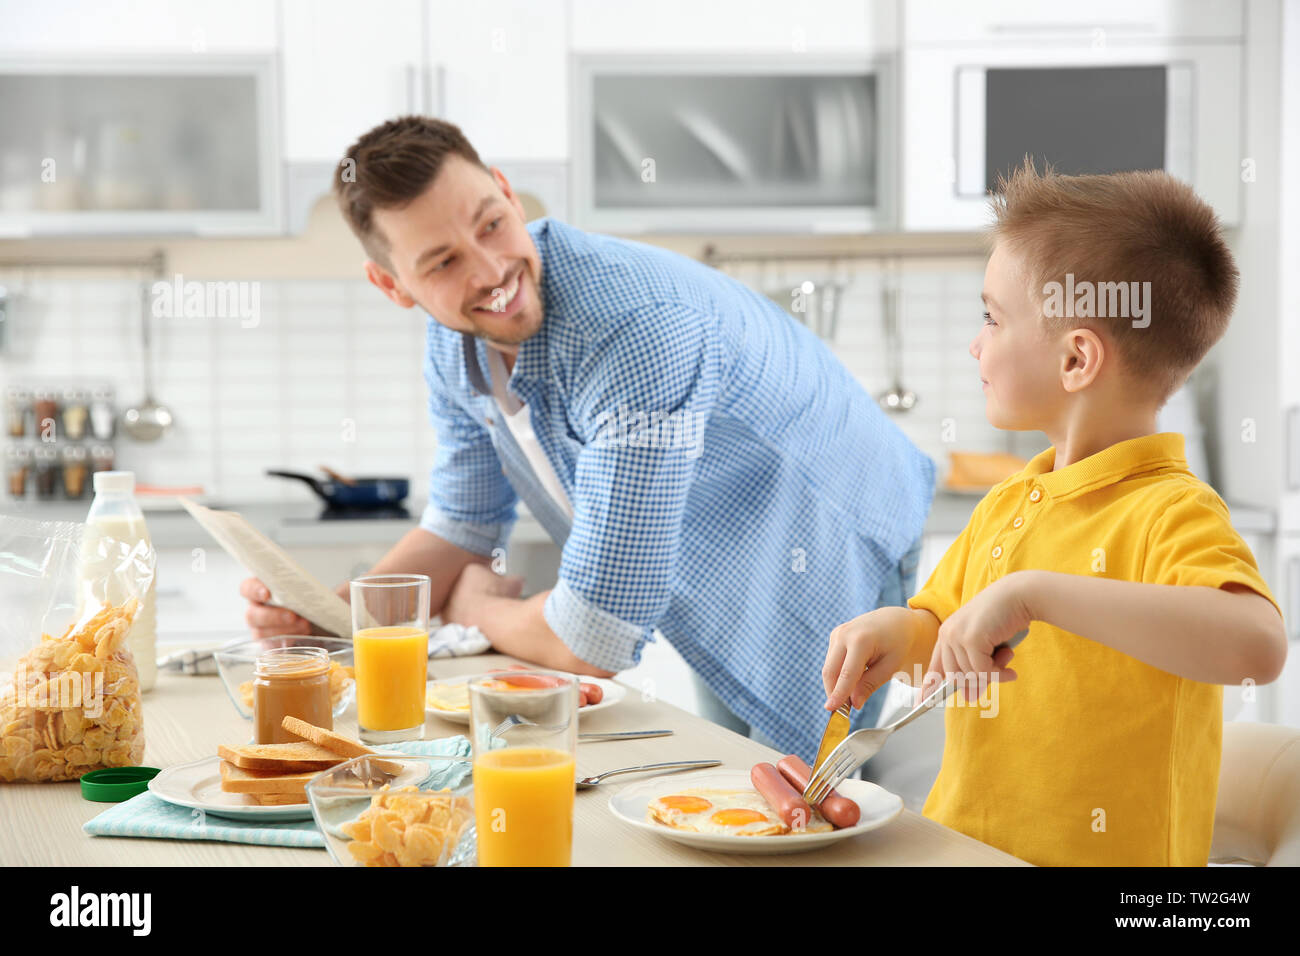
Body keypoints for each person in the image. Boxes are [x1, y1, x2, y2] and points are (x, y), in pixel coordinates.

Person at [242, 116, 934, 758]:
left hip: (825, 537)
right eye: (442, 263)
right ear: (393, 286)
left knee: (794, 822)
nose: (488, 272)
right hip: (719, 565)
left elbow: (594, 636)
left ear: (510, 195)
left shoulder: (633, 334)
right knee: (731, 796)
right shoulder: (454, 341)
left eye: (491, 224)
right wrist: (332, 618)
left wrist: (477, 610)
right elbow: (463, 524)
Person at [822, 160, 1287, 866]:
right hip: (966, 849)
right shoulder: (1011, 500)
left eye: (992, 317)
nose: (975, 343)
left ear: (1076, 359)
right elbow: (948, 637)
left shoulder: (1169, 510)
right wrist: (902, 634)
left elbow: (1257, 647)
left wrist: (1037, 593)